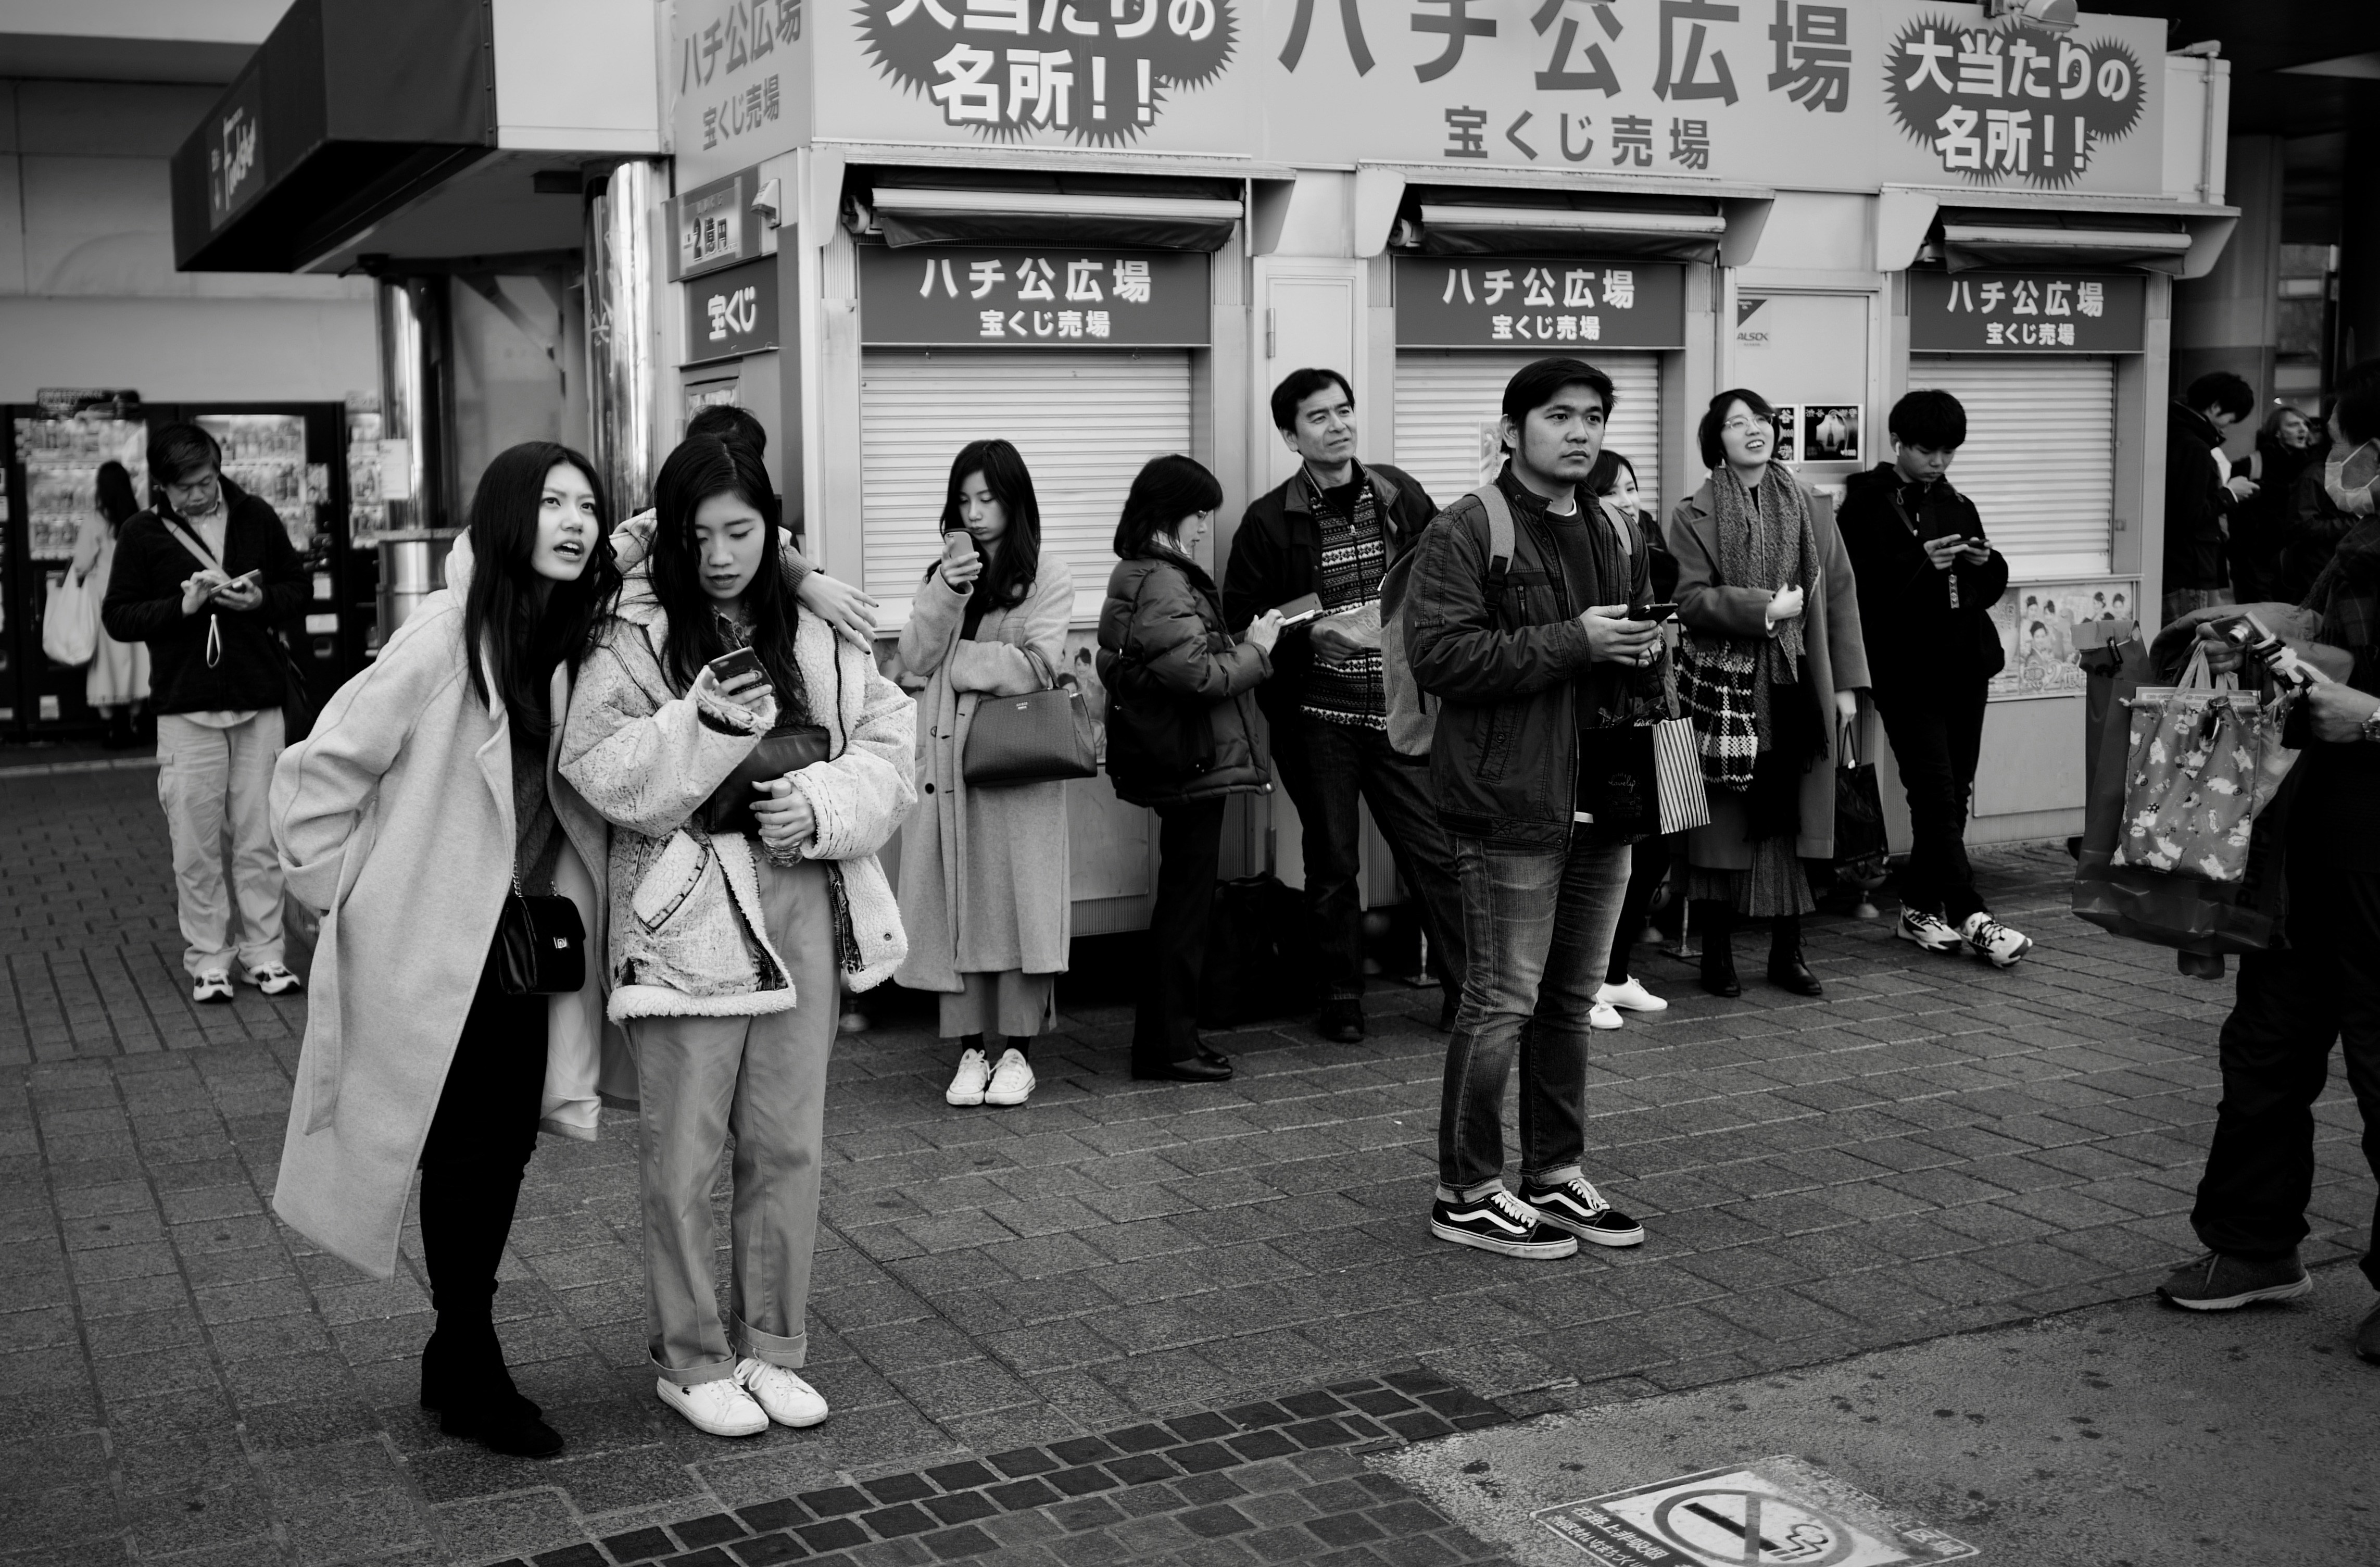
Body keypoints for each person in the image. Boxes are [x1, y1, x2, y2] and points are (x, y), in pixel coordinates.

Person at [269, 442, 621, 1458]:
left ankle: (455, 1350)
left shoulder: (560, 634)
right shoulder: (442, 637)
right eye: (551, 502)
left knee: (500, 1147)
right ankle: (471, 1362)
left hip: (514, 943)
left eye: (587, 506)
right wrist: (338, 906)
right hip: (428, 943)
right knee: (467, 1153)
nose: (573, 521)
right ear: (509, 514)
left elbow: (657, 541)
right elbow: (317, 772)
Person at [561, 435, 915, 1438]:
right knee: (684, 1152)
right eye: (697, 532)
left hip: (803, 894)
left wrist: (820, 800)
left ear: (775, 529)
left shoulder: (819, 624)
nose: (720, 554)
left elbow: (890, 749)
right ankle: (690, 1356)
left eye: (743, 531)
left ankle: (775, 1348)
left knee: (787, 1143)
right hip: (685, 908)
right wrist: (707, 722)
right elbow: (601, 766)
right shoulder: (624, 627)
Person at [1403, 356, 1653, 1261]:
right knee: (1501, 998)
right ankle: (1466, 1187)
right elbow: (1443, 657)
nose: (1579, 432)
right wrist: (1574, 641)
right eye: (1558, 416)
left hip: (1603, 793)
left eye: (1592, 416)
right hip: (1508, 798)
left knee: (1569, 998)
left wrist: (1636, 645)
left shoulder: (1614, 529)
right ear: (1513, 430)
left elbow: (1612, 644)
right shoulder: (1469, 528)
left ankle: (1554, 1173)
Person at [2158, 358, 2380, 1369]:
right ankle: (2249, 1244)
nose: (2330, 462)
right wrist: (2262, 632)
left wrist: (2371, 717)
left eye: (2341, 444)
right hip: (2306, 846)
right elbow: (2329, 638)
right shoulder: (2353, 543)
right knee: (2262, 1047)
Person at [1223, 368, 1466, 1041]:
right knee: (1331, 864)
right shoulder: (1268, 521)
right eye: (1318, 417)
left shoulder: (1398, 494)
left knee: (1434, 857)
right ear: (1289, 435)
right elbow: (1243, 618)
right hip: (1316, 722)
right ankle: (1340, 999)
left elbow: (1447, 575)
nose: (1337, 425)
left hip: (1397, 711)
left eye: (1343, 410)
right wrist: (1312, 635)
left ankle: (1463, 992)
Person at [1669, 390, 1871, 999]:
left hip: (1795, 682)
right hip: (1727, 688)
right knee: (1725, 820)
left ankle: (1789, 951)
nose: (1752, 430)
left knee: (1786, 816)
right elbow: (1688, 600)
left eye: (1759, 420)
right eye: (1736, 424)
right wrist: (1763, 609)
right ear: (1716, 441)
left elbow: (1838, 595)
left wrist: (1845, 690)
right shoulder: (1692, 513)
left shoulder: (1810, 505)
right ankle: (1717, 954)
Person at [100, 422, 307, 1005]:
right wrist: (182, 606)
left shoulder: (256, 515)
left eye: (208, 480)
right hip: (185, 708)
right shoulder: (143, 534)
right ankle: (209, 959)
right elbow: (119, 618)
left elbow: (298, 587)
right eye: (186, 486)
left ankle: (265, 955)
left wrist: (261, 600)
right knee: (194, 847)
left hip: (258, 701)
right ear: (162, 486)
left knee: (260, 840)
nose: (200, 494)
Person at [893, 440, 1073, 1109]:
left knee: (1020, 908)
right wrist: (948, 588)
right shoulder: (942, 575)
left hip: (1018, 765)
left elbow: (1037, 667)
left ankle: (1019, 1055)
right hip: (947, 771)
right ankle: (970, 1050)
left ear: (1013, 500)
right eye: (963, 500)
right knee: (954, 907)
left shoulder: (1047, 574)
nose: (974, 512)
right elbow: (911, 654)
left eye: (986, 498)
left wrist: (957, 663)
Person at [1097, 455, 1281, 1083]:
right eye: (1202, 513)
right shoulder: (1163, 579)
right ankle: (1170, 1046)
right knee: (1185, 904)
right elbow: (1196, 674)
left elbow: (1174, 656)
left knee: (1181, 897)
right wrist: (1260, 651)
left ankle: (1166, 1040)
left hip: (1181, 755)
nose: (1206, 526)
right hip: (1193, 759)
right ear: (1173, 510)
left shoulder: (1142, 571)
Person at [1836, 389, 2031, 970]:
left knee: (1954, 793)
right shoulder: (1864, 505)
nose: (1938, 463)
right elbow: (1857, 593)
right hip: (1903, 669)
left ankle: (1918, 907)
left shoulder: (1955, 500)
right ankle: (1970, 911)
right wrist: (1922, 559)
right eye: (1927, 451)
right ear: (1896, 442)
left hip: (1964, 663)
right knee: (1933, 791)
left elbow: (1987, 585)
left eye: (1948, 452)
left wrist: (1981, 563)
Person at [1586, 448, 1678, 1027]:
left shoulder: (1648, 550)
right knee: (1606, 854)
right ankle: (1588, 981)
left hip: (1657, 713)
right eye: (1613, 491)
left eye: (1631, 488)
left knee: (1654, 853)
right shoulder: (1585, 556)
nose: (1628, 500)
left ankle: (1615, 975)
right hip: (1606, 724)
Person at [70, 460, 152, 748]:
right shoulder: (140, 517)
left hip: (104, 601)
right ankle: (134, 721)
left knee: (104, 665)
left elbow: (81, 563)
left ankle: (112, 728)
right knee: (138, 661)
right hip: (138, 599)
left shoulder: (95, 519)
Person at [2164, 371, 2256, 622]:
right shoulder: (2193, 447)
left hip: (2177, 565)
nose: (2227, 426)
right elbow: (2189, 514)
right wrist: (2229, 494)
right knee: (2188, 645)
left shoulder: (2169, 429)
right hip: (2189, 569)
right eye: (2230, 418)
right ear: (2215, 407)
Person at [2231, 405, 2323, 605]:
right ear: (2277, 433)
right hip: (2258, 561)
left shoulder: (2314, 468)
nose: (2303, 429)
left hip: (2297, 562)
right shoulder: (2250, 466)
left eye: (2305, 424)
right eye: (2293, 425)